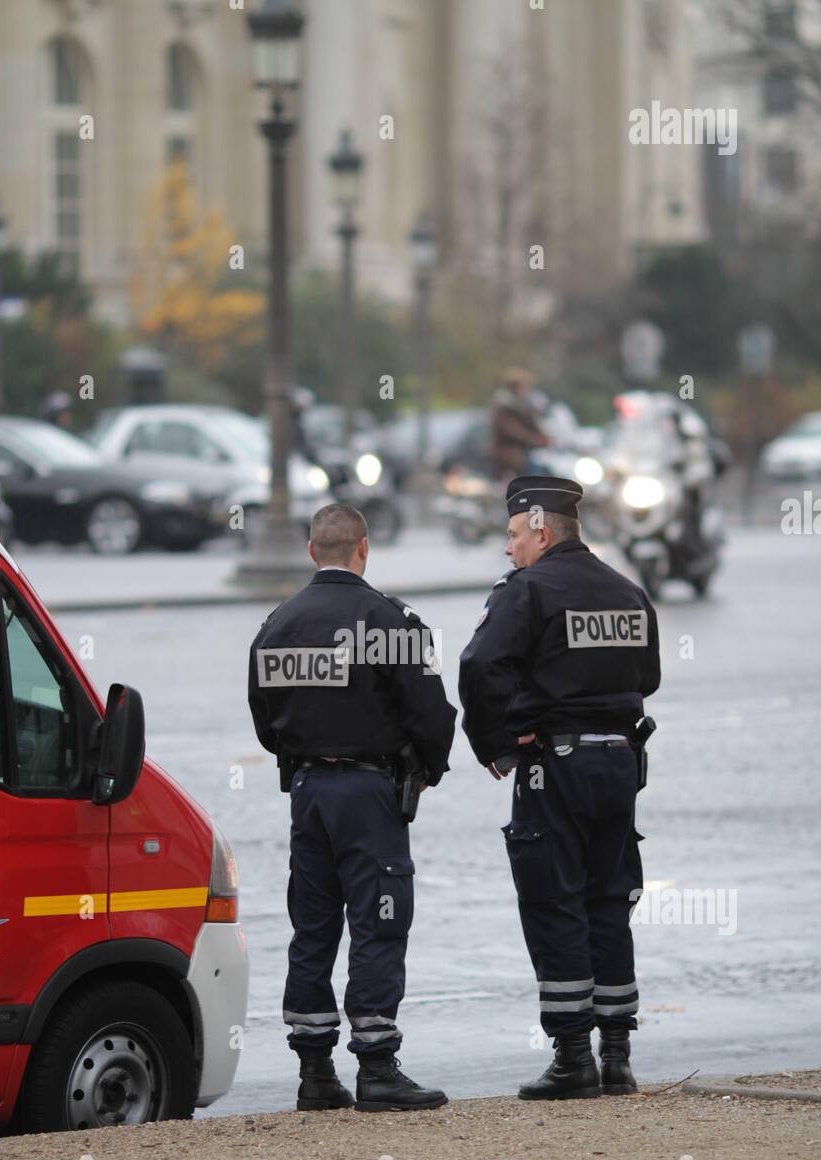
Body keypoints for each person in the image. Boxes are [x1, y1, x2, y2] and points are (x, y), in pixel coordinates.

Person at [458, 476, 661, 1100]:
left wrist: (498, 742)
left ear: (542, 528)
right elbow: (648, 675)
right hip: (619, 763)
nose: (508, 548)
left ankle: (574, 1058)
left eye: (514, 534)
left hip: (558, 765)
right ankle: (618, 1056)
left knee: (555, 901)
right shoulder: (626, 590)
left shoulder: (528, 592)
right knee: (609, 899)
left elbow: (478, 666)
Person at [248, 502, 456, 1112]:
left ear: (313, 551)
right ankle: (376, 1066)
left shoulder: (277, 624)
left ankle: (315, 1072)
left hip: (308, 793)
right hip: (370, 793)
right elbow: (432, 714)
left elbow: (264, 718)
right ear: (363, 548)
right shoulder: (389, 621)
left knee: (312, 925)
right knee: (379, 922)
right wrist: (427, 771)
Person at [489, 369, 550, 484]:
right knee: (534, 471)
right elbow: (511, 430)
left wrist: (545, 436)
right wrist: (533, 439)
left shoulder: (523, 404)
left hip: (524, 449)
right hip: (506, 451)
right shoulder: (503, 405)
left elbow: (532, 424)